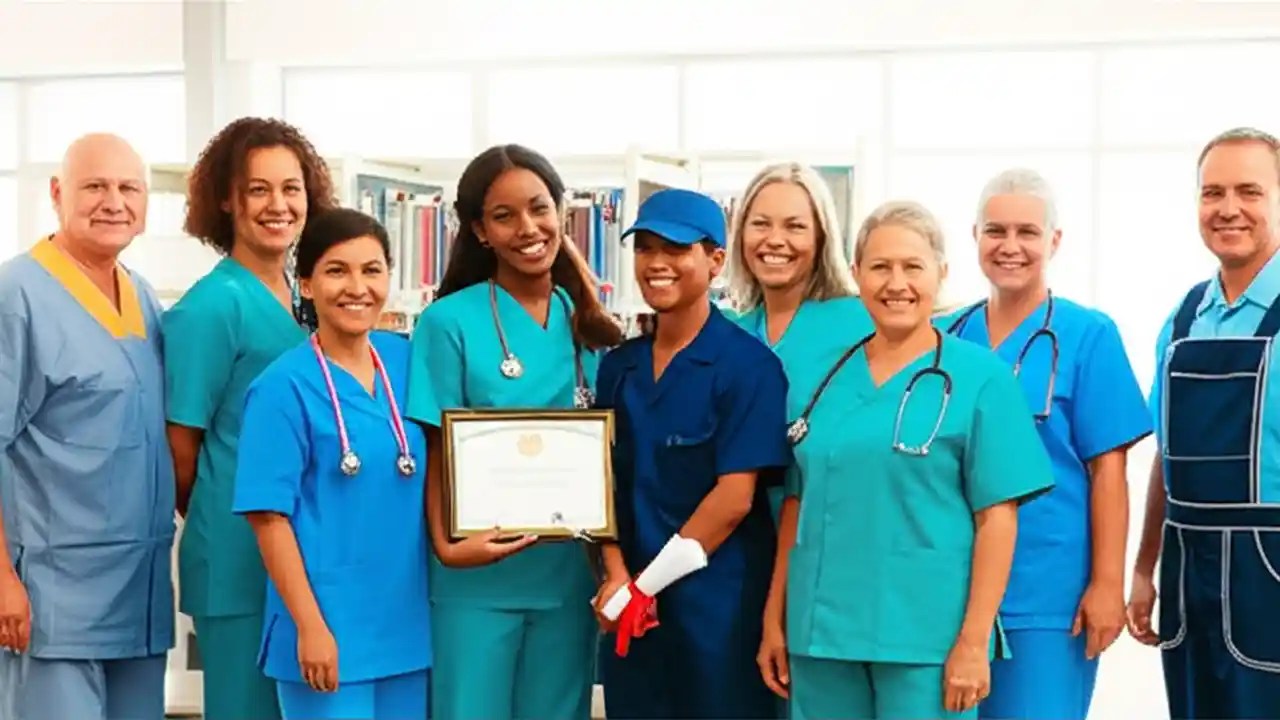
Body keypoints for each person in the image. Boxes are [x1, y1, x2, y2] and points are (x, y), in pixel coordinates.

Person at [771, 199, 1056, 720]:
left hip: (927, 640)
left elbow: (997, 518)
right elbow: (797, 500)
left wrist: (974, 641)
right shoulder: (821, 376)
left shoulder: (981, 379)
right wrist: (776, 616)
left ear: (941, 274)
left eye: (912, 267)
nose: (895, 283)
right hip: (822, 633)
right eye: (879, 267)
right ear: (856, 274)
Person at [406, 143, 622, 720]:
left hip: (566, 580)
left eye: (539, 208)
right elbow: (435, 447)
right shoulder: (447, 322)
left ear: (561, 211)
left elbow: (606, 462)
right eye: (504, 216)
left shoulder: (591, 327)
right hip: (477, 580)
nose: (528, 228)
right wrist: (448, 549)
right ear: (480, 230)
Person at [939, 169, 1151, 719]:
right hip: (947, 592)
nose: (1011, 246)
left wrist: (1107, 583)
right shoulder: (943, 336)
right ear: (975, 237)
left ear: (1054, 241)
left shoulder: (1088, 335)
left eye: (1027, 232)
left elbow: (1109, 471)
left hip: (1048, 593)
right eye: (996, 231)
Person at [163, 117, 338, 720]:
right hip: (237, 552)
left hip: (301, 546)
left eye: (291, 188)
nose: (278, 205)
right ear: (226, 199)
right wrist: (218, 512)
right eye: (258, 189)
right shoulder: (211, 307)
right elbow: (179, 446)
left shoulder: (304, 293)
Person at [593, 188, 792, 719]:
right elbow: (601, 486)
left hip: (716, 611)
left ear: (716, 260)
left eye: (677, 249)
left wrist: (642, 588)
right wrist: (615, 575)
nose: (657, 263)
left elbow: (733, 499)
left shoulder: (748, 368)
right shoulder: (619, 369)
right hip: (632, 615)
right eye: (645, 248)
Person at [0, 133, 174, 719]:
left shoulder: (143, 295)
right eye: (95, 186)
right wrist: (2, 579)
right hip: (54, 596)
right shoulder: (17, 294)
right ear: (56, 193)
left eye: (129, 188)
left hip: (137, 592)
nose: (114, 202)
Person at [232, 208, 431, 719]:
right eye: (337, 270)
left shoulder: (407, 362)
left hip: (405, 629)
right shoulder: (281, 387)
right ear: (306, 283)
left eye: (371, 269)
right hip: (325, 630)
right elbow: (268, 518)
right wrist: (310, 625)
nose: (356, 287)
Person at [1127, 126, 1280, 719]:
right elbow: (1167, 456)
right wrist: (1143, 568)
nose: (1228, 208)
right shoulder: (1184, 317)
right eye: (1212, 192)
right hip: (1189, 573)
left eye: (1249, 191)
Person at [724, 162, 873, 515]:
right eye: (760, 224)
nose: (775, 240)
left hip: (830, 532)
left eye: (795, 227)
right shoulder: (730, 333)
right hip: (739, 542)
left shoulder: (864, 325)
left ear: (821, 237)